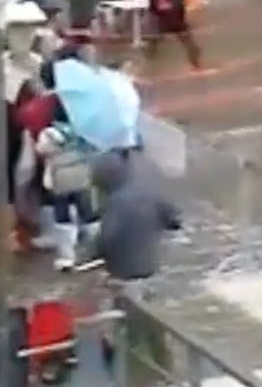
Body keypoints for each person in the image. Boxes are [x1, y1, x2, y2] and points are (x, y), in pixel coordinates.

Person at [89, 152, 183, 300]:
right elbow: (175, 220)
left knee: (124, 308)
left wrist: (95, 253)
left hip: (122, 270)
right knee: (149, 302)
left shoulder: (115, 202)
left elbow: (107, 236)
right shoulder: (150, 192)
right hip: (150, 266)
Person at [36, 119, 97, 271]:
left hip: (60, 180)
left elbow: (40, 149)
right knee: (88, 215)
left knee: (63, 219)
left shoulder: (49, 134)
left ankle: (67, 258)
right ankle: (97, 250)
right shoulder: (82, 130)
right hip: (81, 178)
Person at [147, 0, 204, 69]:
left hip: (164, 21)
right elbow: (180, 6)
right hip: (174, 21)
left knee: (153, 40)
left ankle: (149, 60)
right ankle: (196, 63)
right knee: (188, 42)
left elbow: (152, 8)